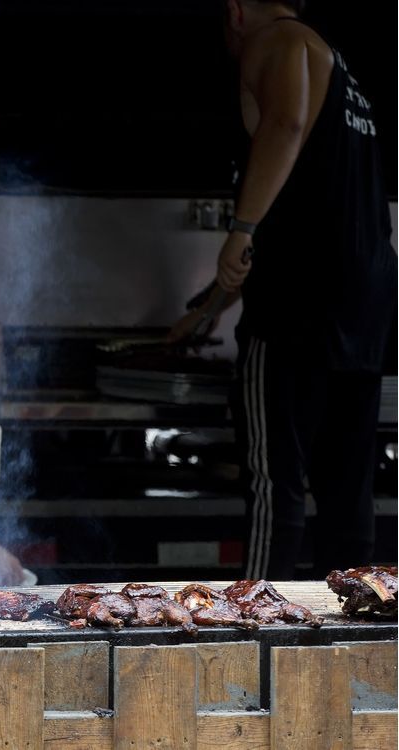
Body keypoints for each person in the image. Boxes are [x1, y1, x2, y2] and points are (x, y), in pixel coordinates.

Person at [170, 0, 396, 580]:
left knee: (275, 484)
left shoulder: (281, 41)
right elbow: (308, 217)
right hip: (362, 311)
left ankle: (257, 625)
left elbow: (286, 127)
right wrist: (213, 306)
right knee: (348, 492)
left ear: (237, 12)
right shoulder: (344, 76)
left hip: (296, 313)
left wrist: (238, 229)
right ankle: (352, 633)